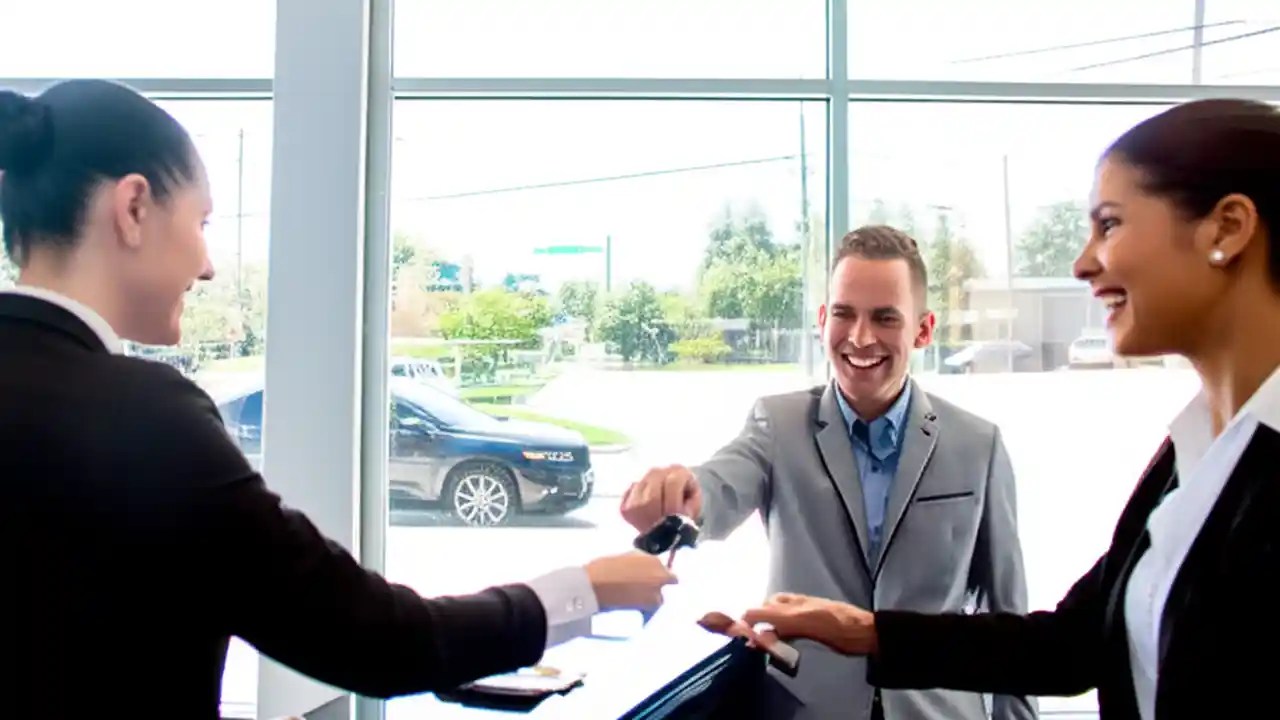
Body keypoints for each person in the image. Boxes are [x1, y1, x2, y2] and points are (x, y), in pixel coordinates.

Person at [0, 79, 676, 719]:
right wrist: (588, 590)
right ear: (134, 207)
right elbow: (375, 639)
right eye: (203, 222)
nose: (206, 265)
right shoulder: (146, 417)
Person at [734, 98, 1280, 720]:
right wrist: (866, 631)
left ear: (1228, 228)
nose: (1083, 263)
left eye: (1110, 225)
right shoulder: (1192, 460)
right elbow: (1072, 645)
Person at [621, 226, 1036, 720]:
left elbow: (1009, 618)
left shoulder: (978, 445)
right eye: (844, 314)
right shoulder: (777, 425)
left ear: (922, 330)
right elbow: (719, 485)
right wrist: (682, 497)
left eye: (885, 318)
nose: (861, 337)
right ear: (823, 320)